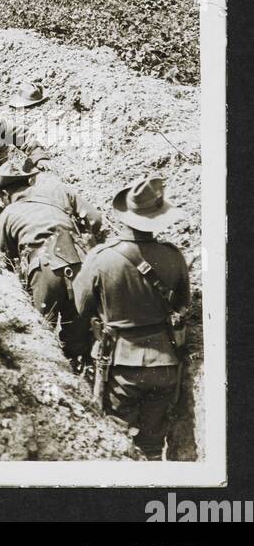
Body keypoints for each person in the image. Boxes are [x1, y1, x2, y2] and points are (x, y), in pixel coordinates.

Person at [74, 176, 190, 459]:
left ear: (124, 216)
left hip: (120, 365)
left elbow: (82, 307)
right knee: (152, 443)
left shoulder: (101, 257)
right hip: (165, 364)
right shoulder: (174, 257)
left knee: (118, 441)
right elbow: (183, 305)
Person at [0, 154, 101, 364]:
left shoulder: (8, 213)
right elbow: (94, 218)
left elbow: (4, 257)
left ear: (4, 194)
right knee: (77, 332)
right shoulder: (56, 197)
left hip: (45, 268)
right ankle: (77, 366)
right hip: (80, 263)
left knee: (42, 332)